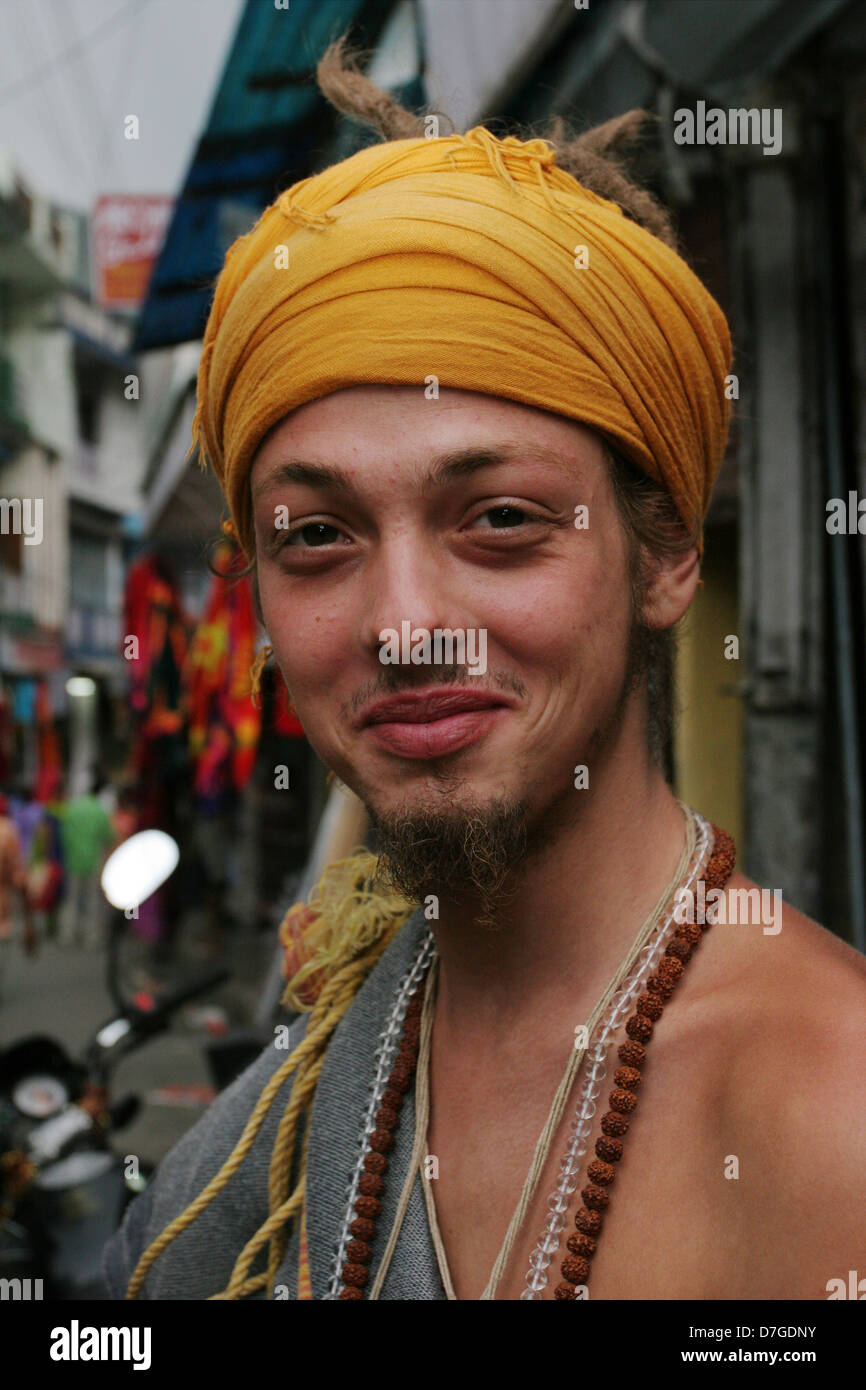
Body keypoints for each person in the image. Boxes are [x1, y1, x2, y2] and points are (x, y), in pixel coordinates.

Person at [102, 39, 866, 1302]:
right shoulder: (281, 1120)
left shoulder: (830, 1118)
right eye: (317, 536)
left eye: (500, 519)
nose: (406, 626)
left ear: (665, 554)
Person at [57, 770, 116, 949]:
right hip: (93, 860)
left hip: (73, 859)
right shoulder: (100, 812)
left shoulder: (73, 809)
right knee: (92, 900)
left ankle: (67, 933)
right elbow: (108, 837)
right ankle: (92, 936)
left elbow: (63, 835)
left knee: (71, 898)